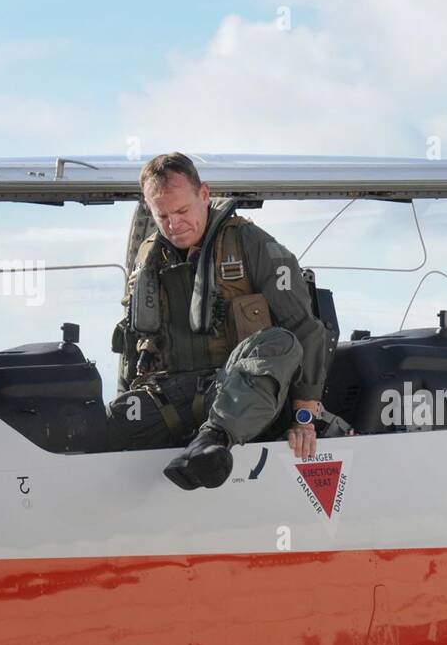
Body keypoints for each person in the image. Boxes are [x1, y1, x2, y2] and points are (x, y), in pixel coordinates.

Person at [107, 153, 331, 489]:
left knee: (280, 343)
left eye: (182, 211)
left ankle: (212, 441)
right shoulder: (147, 260)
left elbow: (305, 331)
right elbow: (131, 345)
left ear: (204, 194)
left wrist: (304, 419)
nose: (173, 224)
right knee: (95, 427)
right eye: (163, 215)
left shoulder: (249, 244)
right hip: (167, 398)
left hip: (233, 390)